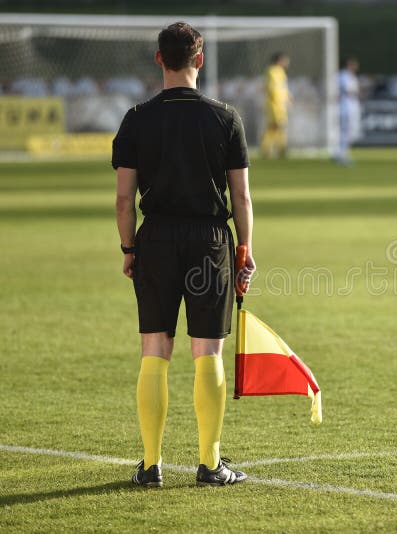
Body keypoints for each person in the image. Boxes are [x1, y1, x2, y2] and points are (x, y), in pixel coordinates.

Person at [112, 22, 255, 488]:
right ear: (200, 59)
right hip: (210, 240)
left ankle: (150, 465)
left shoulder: (136, 118)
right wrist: (244, 249)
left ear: (159, 59)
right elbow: (242, 198)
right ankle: (210, 464)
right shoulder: (225, 118)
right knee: (206, 350)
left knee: (155, 349)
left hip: (154, 240)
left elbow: (122, 198)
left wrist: (129, 247)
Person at [261, 52, 291, 158]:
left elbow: (282, 88)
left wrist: (288, 97)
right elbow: (272, 88)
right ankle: (279, 148)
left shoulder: (281, 72)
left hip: (279, 104)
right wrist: (279, 101)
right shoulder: (272, 71)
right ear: (279, 60)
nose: (287, 63)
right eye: (285, 60)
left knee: (275, 127)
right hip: (275, 104)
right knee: (277, 126)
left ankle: (273, 148)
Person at [335, 56, 361, 165]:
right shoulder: (343, 75)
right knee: (345, 131)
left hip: (352, 106)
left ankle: (342, 153)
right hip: (345, 106)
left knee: (350, 132)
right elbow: (347, 90)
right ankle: (341, 154)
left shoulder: (351, 76)